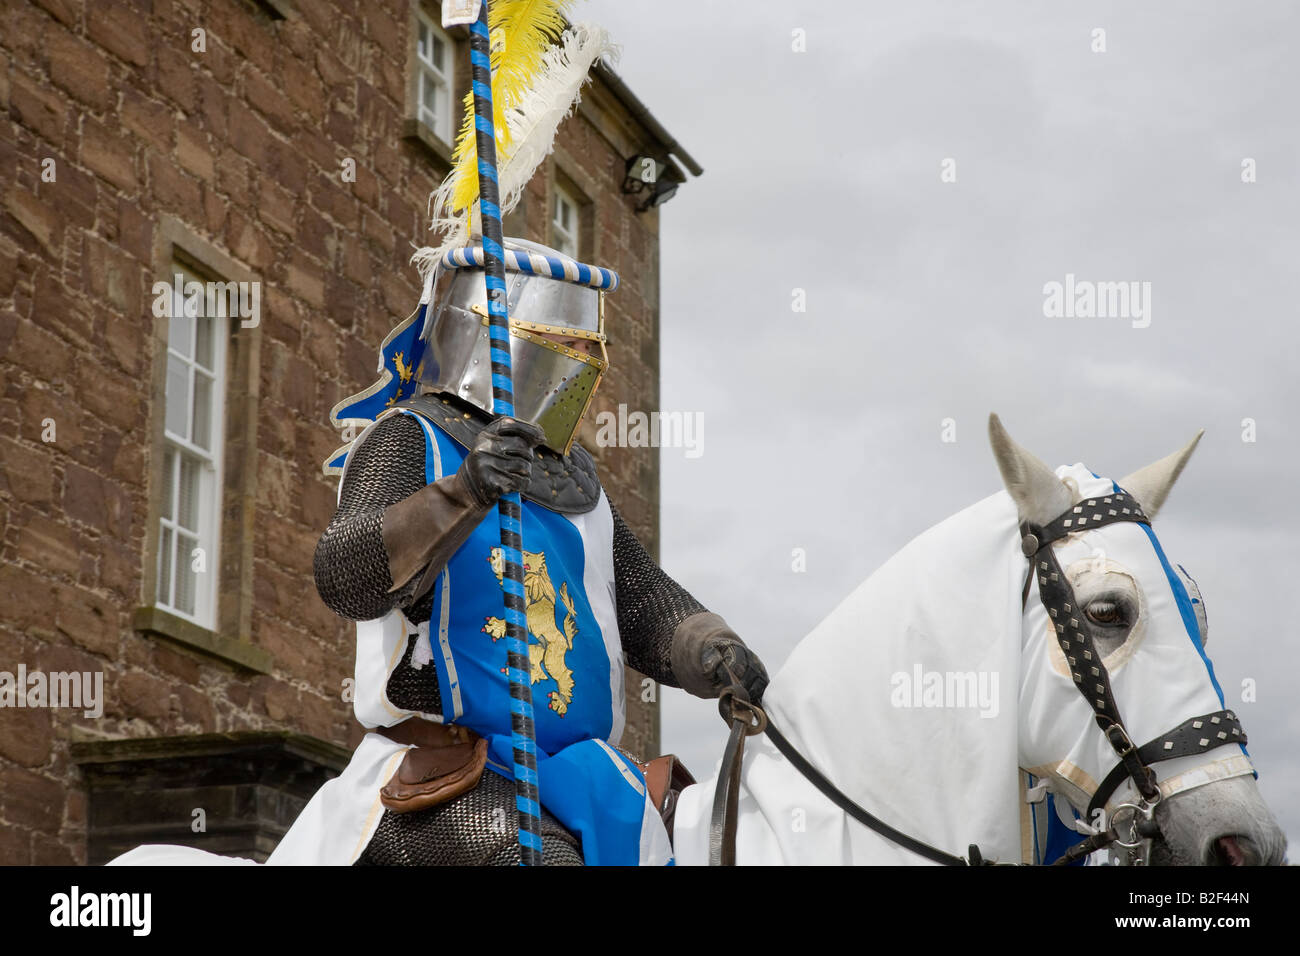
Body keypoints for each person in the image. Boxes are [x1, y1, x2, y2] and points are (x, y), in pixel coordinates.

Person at [295, 239, 768, 866]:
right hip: (449, 771)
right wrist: (465, 491)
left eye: (588, 346)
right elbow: (344, 577)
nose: (586, 360)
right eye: (566, 342)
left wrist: (708, 647)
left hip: (577, 776)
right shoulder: (412, 439)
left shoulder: (578, 483)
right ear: (497, 334)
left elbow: (641, 597)